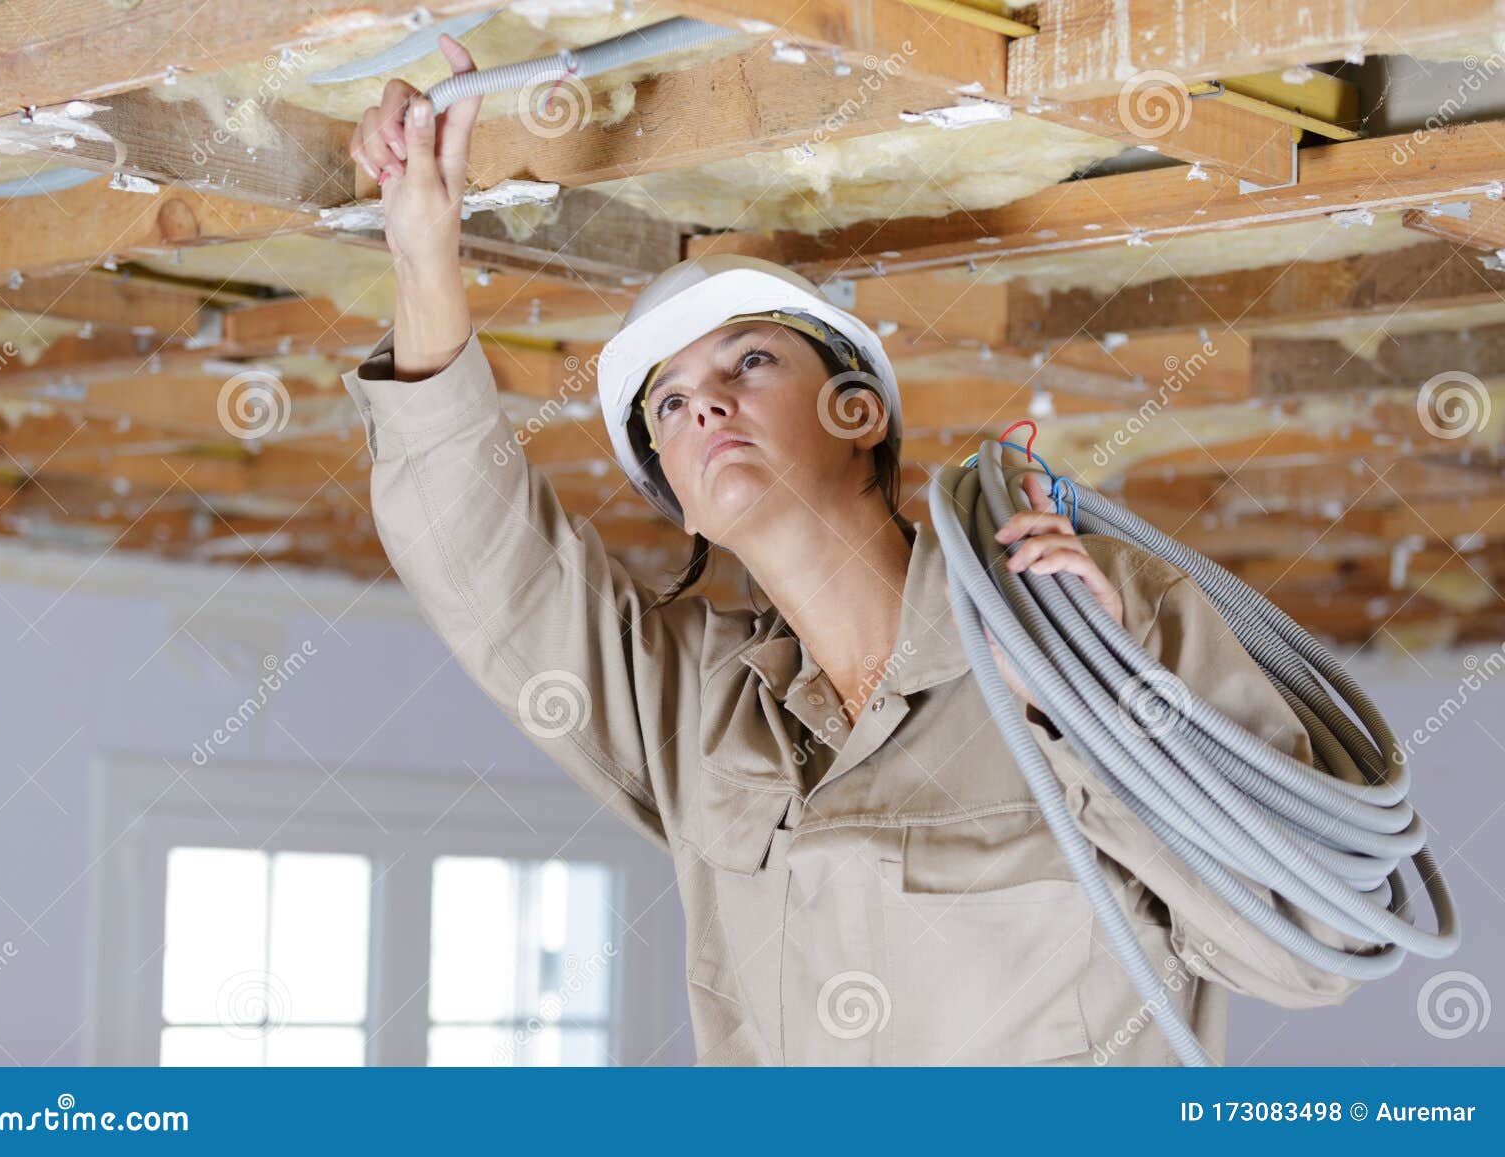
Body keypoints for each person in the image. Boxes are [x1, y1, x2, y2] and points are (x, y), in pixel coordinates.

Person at [341, 38, 1366, 1066]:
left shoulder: (1086, 618)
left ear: (859, 411)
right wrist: (424, 257)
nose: (703, 400)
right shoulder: (695, 708)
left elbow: (1312, 950)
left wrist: (1082, 711)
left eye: (749, 359)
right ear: (680, 503)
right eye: (669, 402)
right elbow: (482, 562)